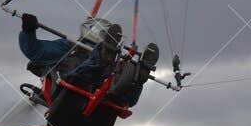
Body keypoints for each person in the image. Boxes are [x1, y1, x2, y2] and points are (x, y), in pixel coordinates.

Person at [19, 13, 157, 108]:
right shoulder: (70, 47)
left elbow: (129, 103)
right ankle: (131, 78)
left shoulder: (114, 61)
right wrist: (28, 30)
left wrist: (128, 69)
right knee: (90, 71)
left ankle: (139, 76)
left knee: (122, 85)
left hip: (101, 99)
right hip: (69, 89)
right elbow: (35, 50)